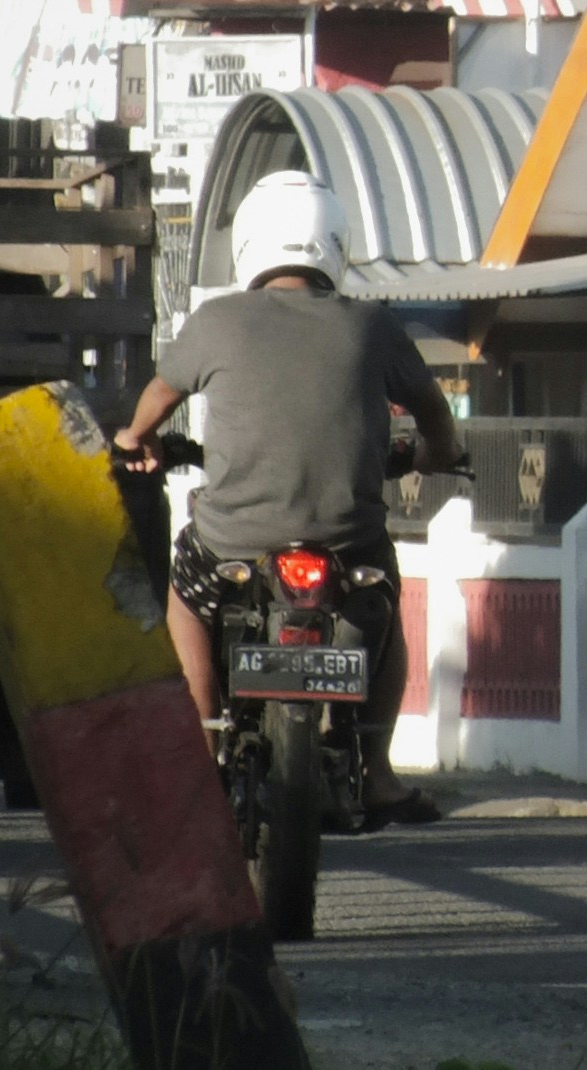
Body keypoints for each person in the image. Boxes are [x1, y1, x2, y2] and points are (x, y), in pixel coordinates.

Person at [115, 170, 458, 822]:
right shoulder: (372, 326)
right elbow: (438, 421)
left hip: (232, 543)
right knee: (384, 603)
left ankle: (201, 739)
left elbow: (156, 401)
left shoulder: (217, 321)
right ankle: (377, 772)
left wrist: (135, 439)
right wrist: (432, 455)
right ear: (334, 243)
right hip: (347, 540)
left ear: (250, 244)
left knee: (185, 596)